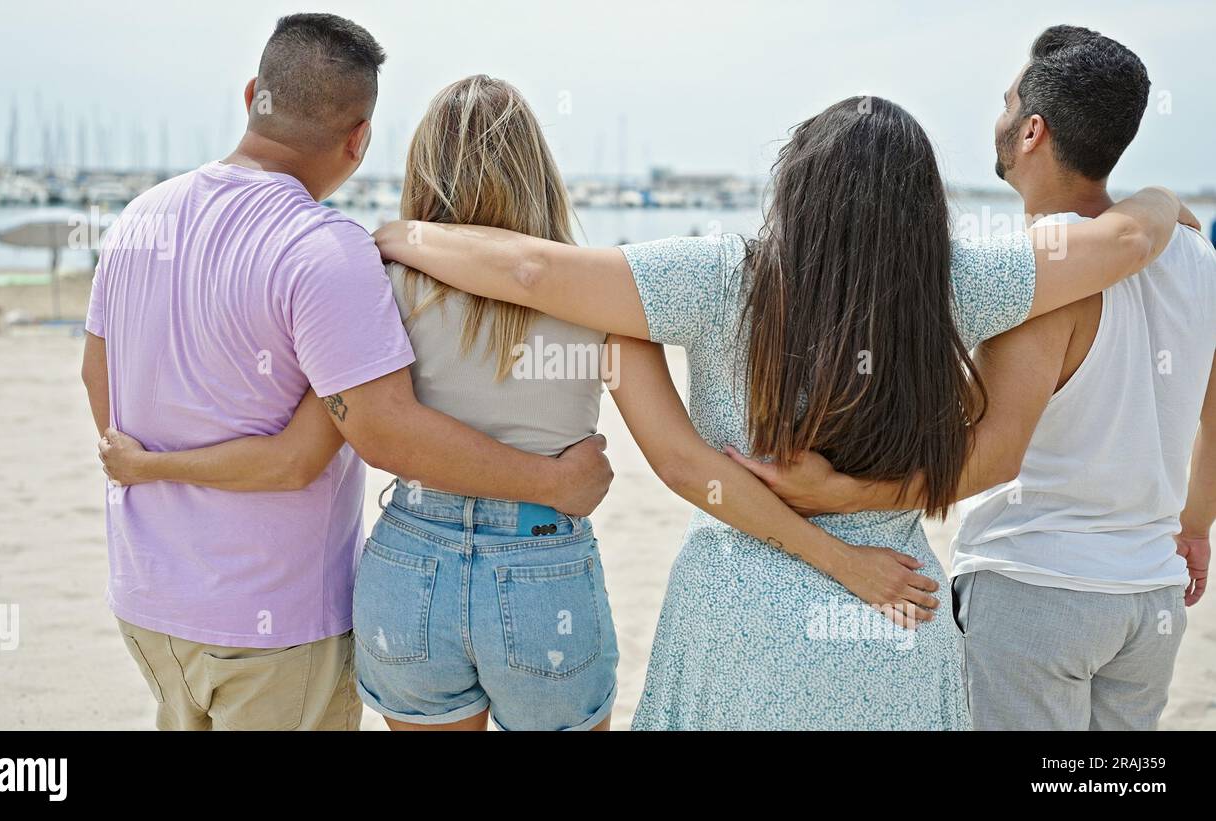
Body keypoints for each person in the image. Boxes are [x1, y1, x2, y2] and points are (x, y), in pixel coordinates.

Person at [100, 74, 909, 731]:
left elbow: (334, 432)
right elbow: (681, 463)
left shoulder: (373, 280)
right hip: (541, 567)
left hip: (407, 561)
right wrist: (837, 550)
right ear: (538, 168)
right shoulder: (601, 297)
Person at [370, 96, 1189, 728]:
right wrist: (1157, 197)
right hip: (898, 617)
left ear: (794, 183)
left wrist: (401, 232)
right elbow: (1120, 245)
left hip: (733, 620)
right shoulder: (958, 278)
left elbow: (529, 270)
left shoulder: (720, 276)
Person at [81, 15, 611, 732]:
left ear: (252, 96)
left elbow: (97, 377)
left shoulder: (140, 218)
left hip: (148, 601)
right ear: (358, 137)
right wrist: (553, 482)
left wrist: (151, 469)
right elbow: (364, 438)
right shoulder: (322, 249)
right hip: (271, 618)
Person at [728, 26, 1213, 732]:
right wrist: (1194, 523)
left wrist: (846, 492)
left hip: (1036, 590)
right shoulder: (1197, 257)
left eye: (1006, 101)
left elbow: (990, 457)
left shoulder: (1037, 276)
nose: (1000, 116)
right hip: (1150, 603)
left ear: (1031, 132)